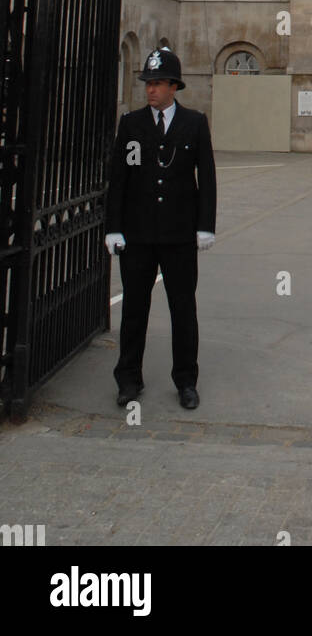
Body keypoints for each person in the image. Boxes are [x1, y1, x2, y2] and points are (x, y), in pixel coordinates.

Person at [105, 47, 217, 410]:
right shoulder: (132, 124)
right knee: (134, 310)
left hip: (179, 235)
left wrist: (205, 226)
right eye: (148, 84)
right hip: (138, 235)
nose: (150, 90)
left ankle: (186, 380)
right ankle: (128, 379)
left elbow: (208, 179)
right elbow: (119, 179)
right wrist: (114, 227)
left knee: (183, 310)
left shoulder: (194, 123)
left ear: (174, 86)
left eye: (157, 84)